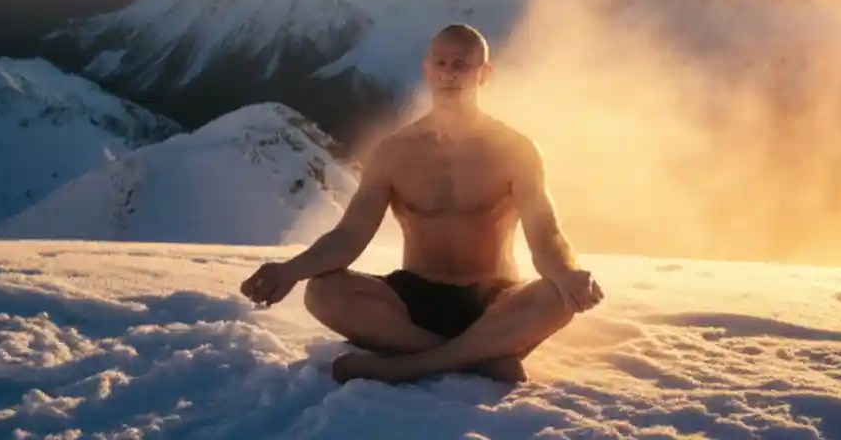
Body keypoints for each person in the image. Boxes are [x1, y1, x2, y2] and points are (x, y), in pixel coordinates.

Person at [240, 23, 603, 384]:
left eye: (461, 65)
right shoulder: (393, 152)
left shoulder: (516, 151)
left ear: (484, 74)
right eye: (441, 64)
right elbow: (350, 235)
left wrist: (568, 273)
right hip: (410, 300)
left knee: (555, 297)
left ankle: (409, 365)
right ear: (427, 69)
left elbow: (546, 234)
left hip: (494, 300)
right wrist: (290, 270)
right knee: (321, 291)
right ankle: (477, 359)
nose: (449, 75)